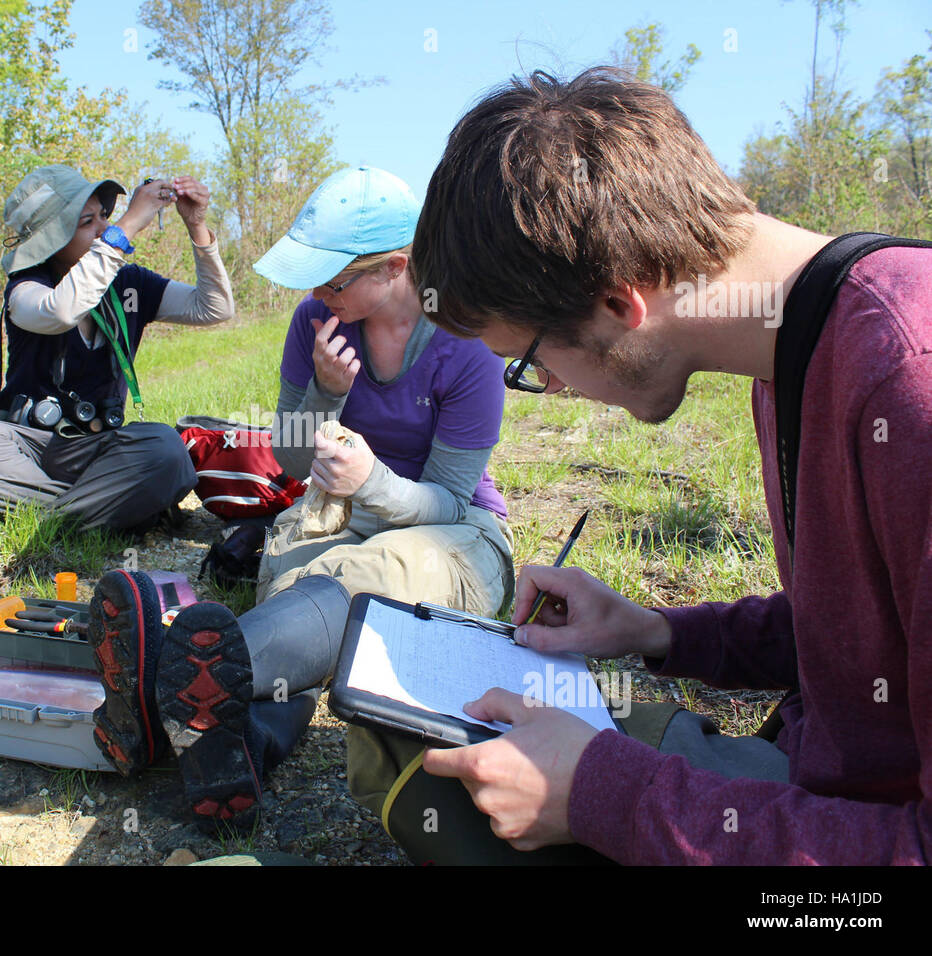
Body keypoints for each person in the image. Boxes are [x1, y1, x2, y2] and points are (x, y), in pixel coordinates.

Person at [349, 67, 932, 865]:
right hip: (812, 787)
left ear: (621, 306)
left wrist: (602, 796)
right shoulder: (797, 347)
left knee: (462, 797)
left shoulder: (910, 389)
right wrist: (651, 630)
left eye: (528, 363)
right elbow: (858, 641)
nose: (548, 389)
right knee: (416, 744)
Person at [84, 166, 513, 828]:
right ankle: (241, 747)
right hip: (334, 511)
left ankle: (156, 682)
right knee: (300, 628)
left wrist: (372, 483)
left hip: (452, 530)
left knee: (376, 577)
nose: (317, 292)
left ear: (396, 267)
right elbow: (286, 458)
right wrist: (326, 393)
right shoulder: (317, 319)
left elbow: (450, 503)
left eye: (335, 279)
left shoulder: (468, 346)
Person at [0, 165, 234, 532]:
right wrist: (129, 225)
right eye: (87, 222)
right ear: (51, 238)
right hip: (26, 447)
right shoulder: (26, 288)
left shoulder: (130, 284)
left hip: (96, 449)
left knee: (166, 449)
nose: (104, 228)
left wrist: (197, 227)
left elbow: (214, 307)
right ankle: (96, 511)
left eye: (105, 216)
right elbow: (62, 310)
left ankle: (43, 520)